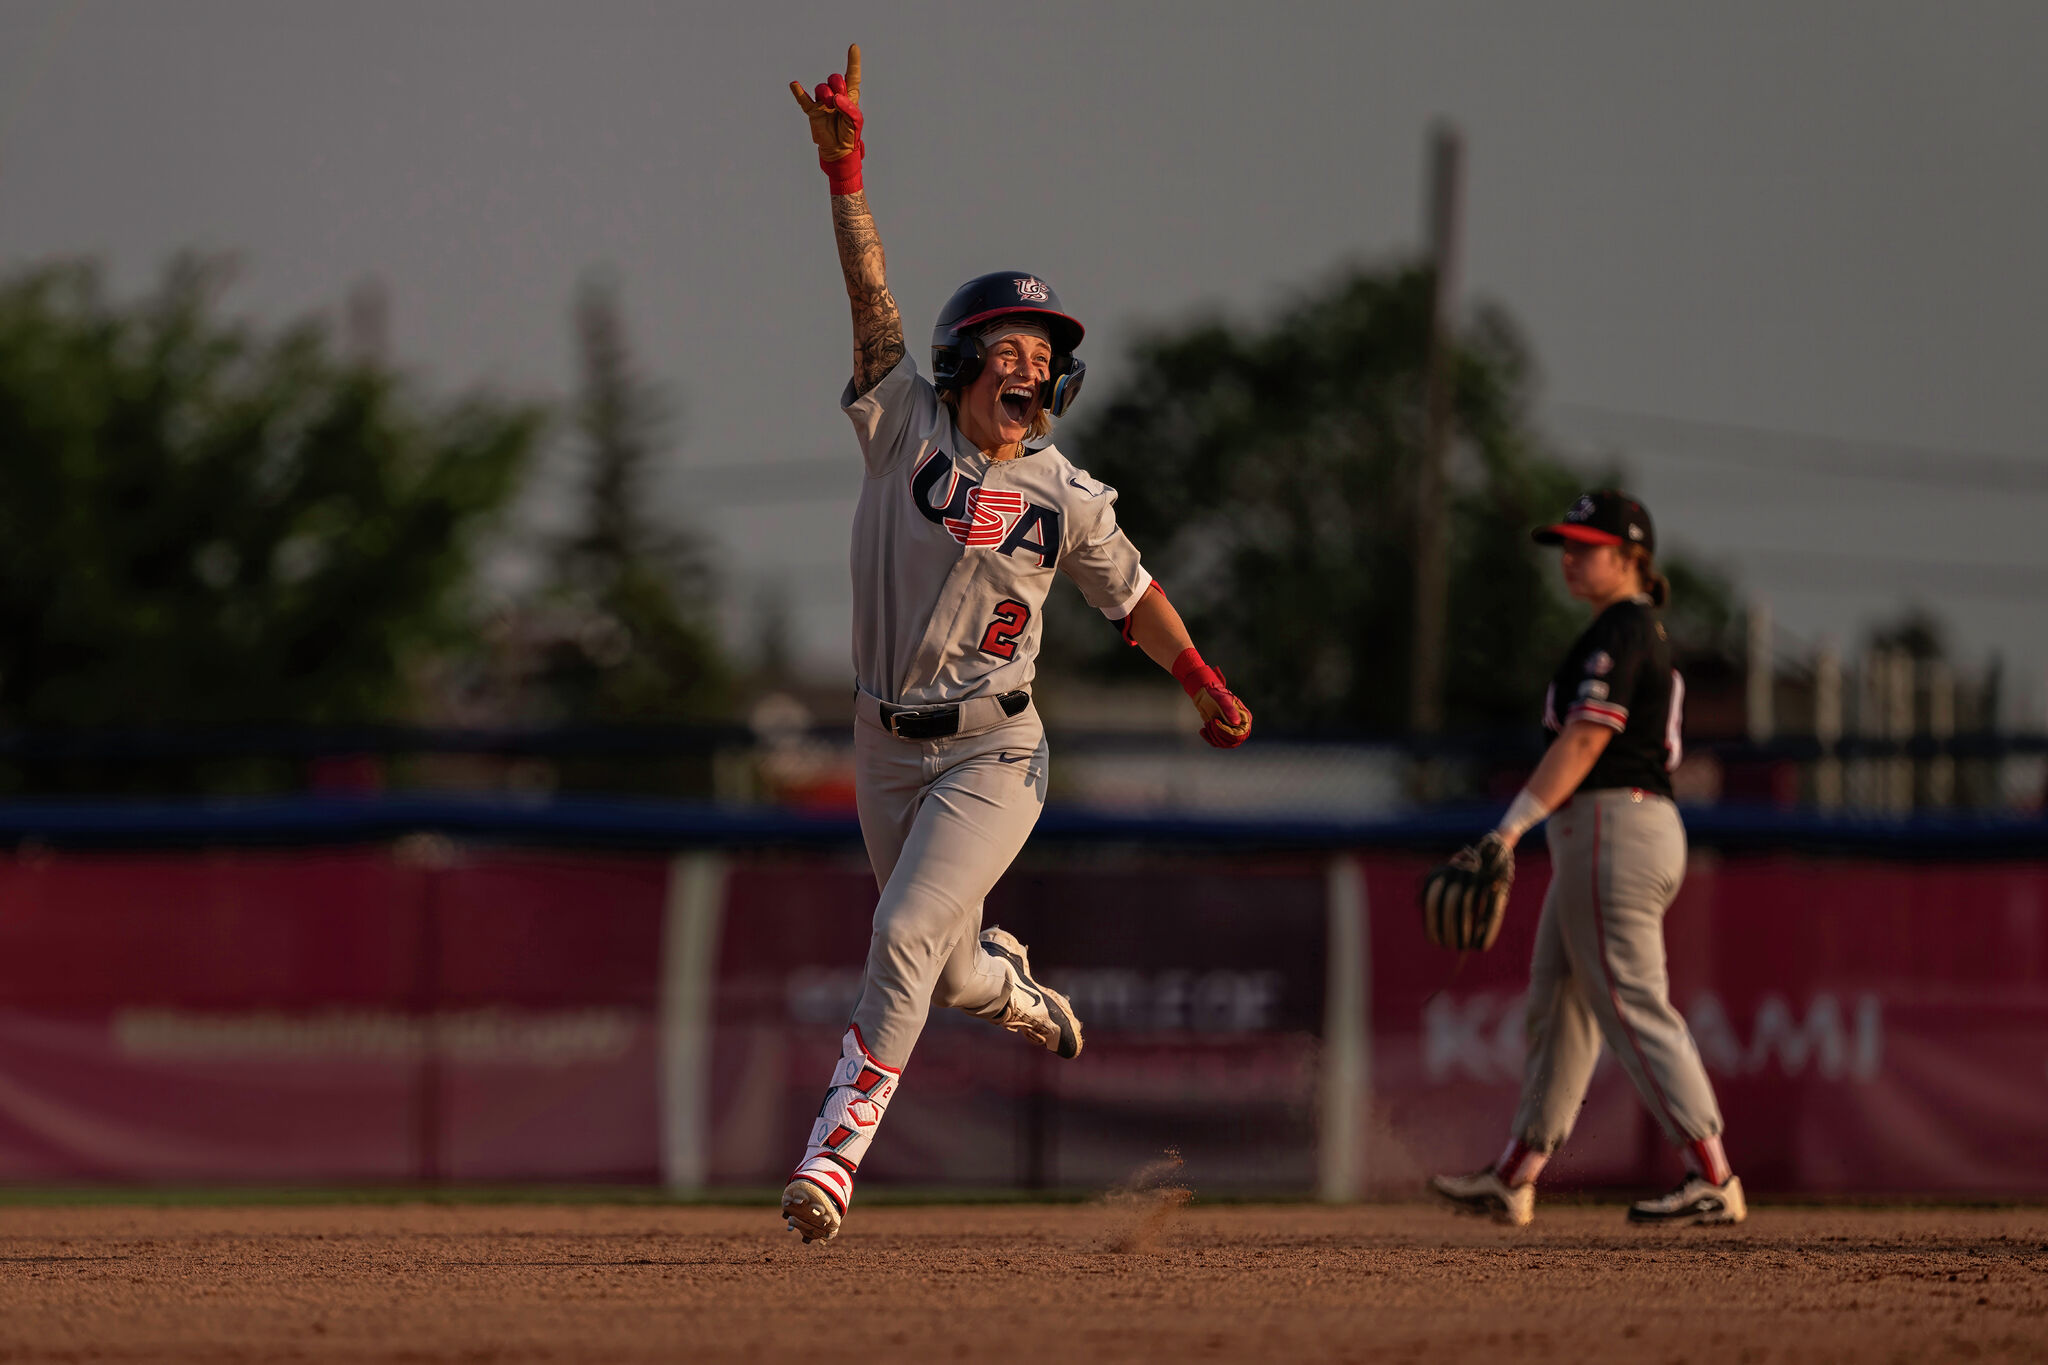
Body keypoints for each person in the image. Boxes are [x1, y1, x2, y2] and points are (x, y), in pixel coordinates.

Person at [779, 44, 1253, 1244]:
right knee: (938, 966)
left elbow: (1132, 595)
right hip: (883, 742)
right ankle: (1009, 984)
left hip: (996, 753)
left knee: (896, 934)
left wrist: (1195, 676)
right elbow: (868, 303)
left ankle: (833, 1157)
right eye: (1008, 346)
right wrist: (849, 178)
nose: (1027, 365)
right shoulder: (905, 429)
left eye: (1043, 355)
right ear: (961, 361)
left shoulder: (1067, 494)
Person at [1429, 490, 1745, 1228]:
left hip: (1615, 823)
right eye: (1566, 544)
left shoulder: (1625, 629)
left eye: (1587, 545)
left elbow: (1585, 740)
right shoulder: (1621, 629)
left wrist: (1508, 830)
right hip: (1611, 826)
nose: (1570, 557)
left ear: (1633, 556)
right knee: (1560, 1003)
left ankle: (1712, 1174)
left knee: (1631, 1000)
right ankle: (1516, 1173)